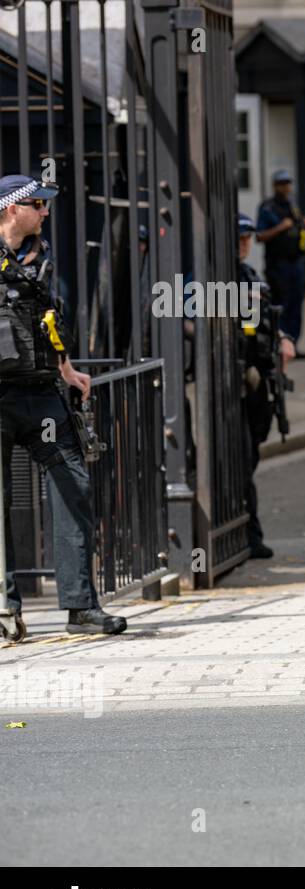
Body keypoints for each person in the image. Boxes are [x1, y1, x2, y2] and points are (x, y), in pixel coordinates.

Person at [0, 174, 127, 640]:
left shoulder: (41, 255)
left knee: (74, 489)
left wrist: (68, 369)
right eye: (39, 204)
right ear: (12, 209)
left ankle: (81, 607)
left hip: (42, 393)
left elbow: (48, 317)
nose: (46, 212)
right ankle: (5, 610)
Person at [237, 212, 295, 560]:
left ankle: (247, 533)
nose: (244, 242)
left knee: (252, 453)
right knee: (241, 461)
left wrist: (284, 336)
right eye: (239, 237)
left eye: (248, 237)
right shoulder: (217, 276)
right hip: (236, 384)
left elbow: (267, 318)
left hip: (260, 383)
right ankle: (248, 535)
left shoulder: (249, 274)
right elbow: (193, 317)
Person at [256, 169, 305, 358]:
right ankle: (279, 345)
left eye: (288, 183)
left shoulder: (292, 205)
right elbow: (259, 236)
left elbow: (296, 224)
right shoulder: (268, 208)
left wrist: (303, 222)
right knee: (281, 305)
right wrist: (280, 227)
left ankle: (293, 345)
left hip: (295, 262)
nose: (285, 186)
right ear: (275, 186)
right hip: (277, 264)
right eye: (282, 183)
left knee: (296, 305)